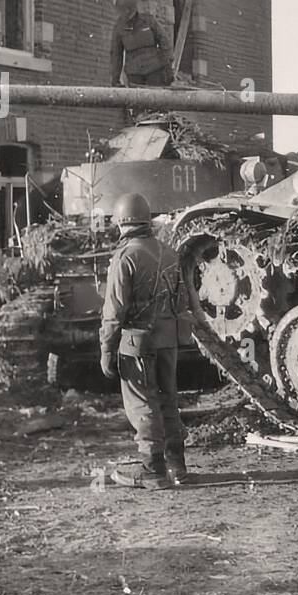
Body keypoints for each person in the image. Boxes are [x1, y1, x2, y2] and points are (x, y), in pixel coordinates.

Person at [100, 192, 189, 489]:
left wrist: (106, 351)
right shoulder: (169, 252)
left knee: (143, 404)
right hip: (168, 339)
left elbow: (113, 312)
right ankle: (178, 466)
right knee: (168, 400)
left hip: (136, 344)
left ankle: (153, 469)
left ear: (122, 224)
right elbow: (182, 300)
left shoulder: (125, 257)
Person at [109, 0, 174, 87]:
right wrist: (115, 79)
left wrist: (167, 67)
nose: (121, 13)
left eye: (123, 10)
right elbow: (116, 54)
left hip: (154, 71)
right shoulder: (119, 28)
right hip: (134, 74)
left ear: (129, 9)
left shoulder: (148, 21)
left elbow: (164, 42)